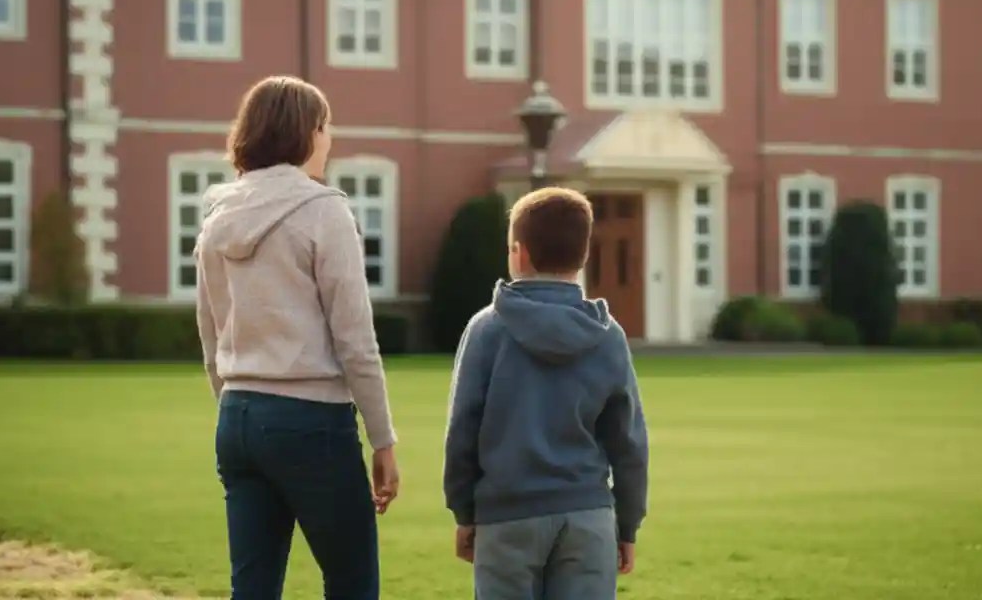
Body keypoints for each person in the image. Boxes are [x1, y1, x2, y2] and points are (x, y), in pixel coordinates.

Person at [195, 76, 400, 600]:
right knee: (353, 583)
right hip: (311, 420)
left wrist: (238, 404)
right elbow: (356, 339)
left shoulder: (217, 216)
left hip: (237, 416)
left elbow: (209, 332)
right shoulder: (325, 210)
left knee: (254, 588)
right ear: (306, 133)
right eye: (325, 126)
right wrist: (383, 439)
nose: (330, 139)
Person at [443, 187, 650, 600]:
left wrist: (465, 512)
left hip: (506, 518)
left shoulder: (487, 330)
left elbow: (462, 431)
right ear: (585, 255)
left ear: (518, 253)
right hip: (587, 516)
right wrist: (627, 524)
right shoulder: (608, 337)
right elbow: (628, 442)